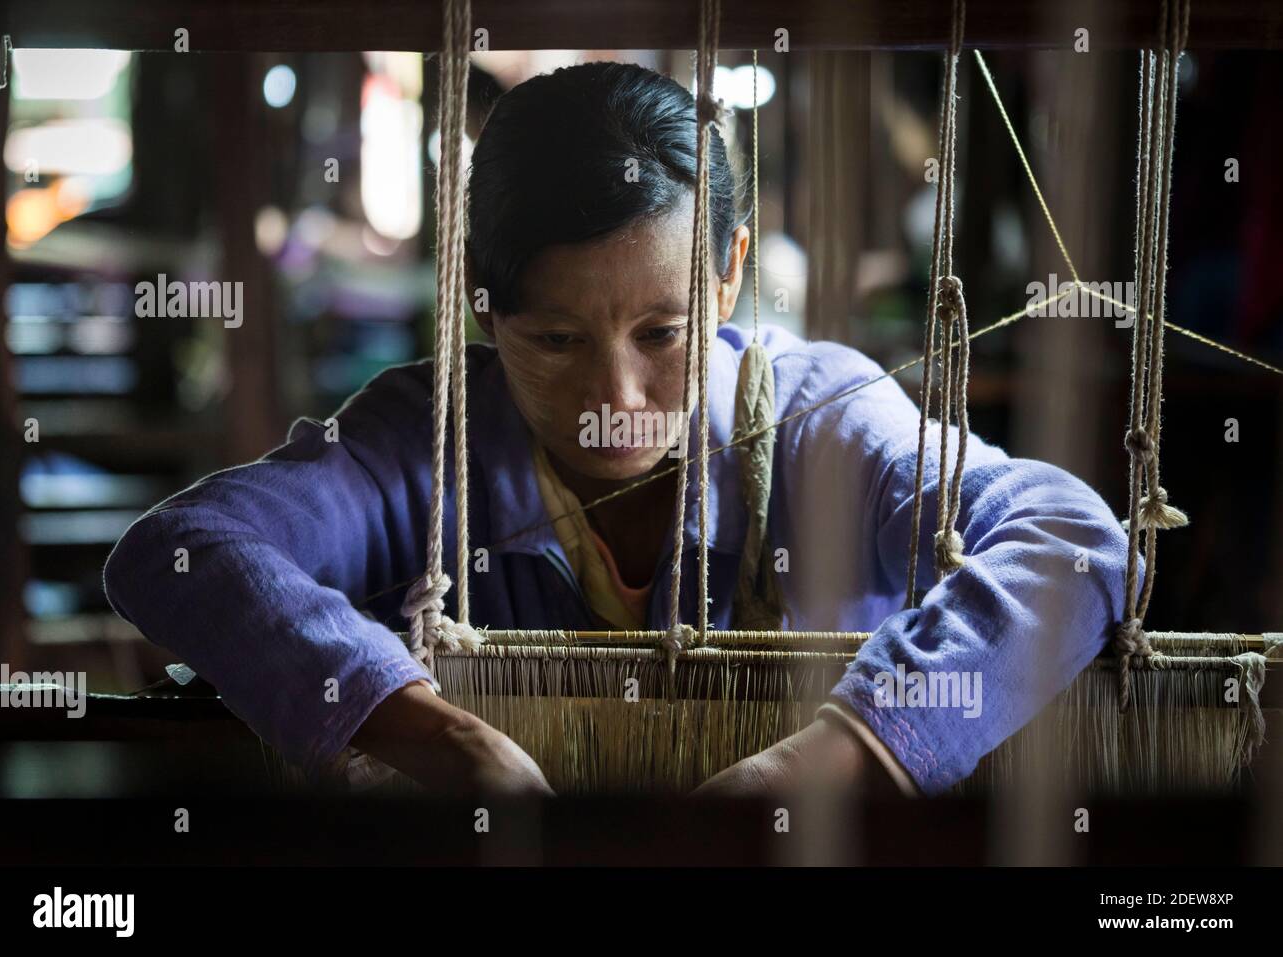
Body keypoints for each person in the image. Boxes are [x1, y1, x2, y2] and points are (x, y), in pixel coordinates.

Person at [103, 61, 1131, 799]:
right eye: (553, 338)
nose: (618, 392)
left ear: (730, 269)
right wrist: (448, 744)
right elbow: (181, 551)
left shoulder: (821, 425)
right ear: (481, 304)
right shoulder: (422, 445)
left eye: (663, 331)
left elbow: (1071, 541)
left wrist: (841, 755)